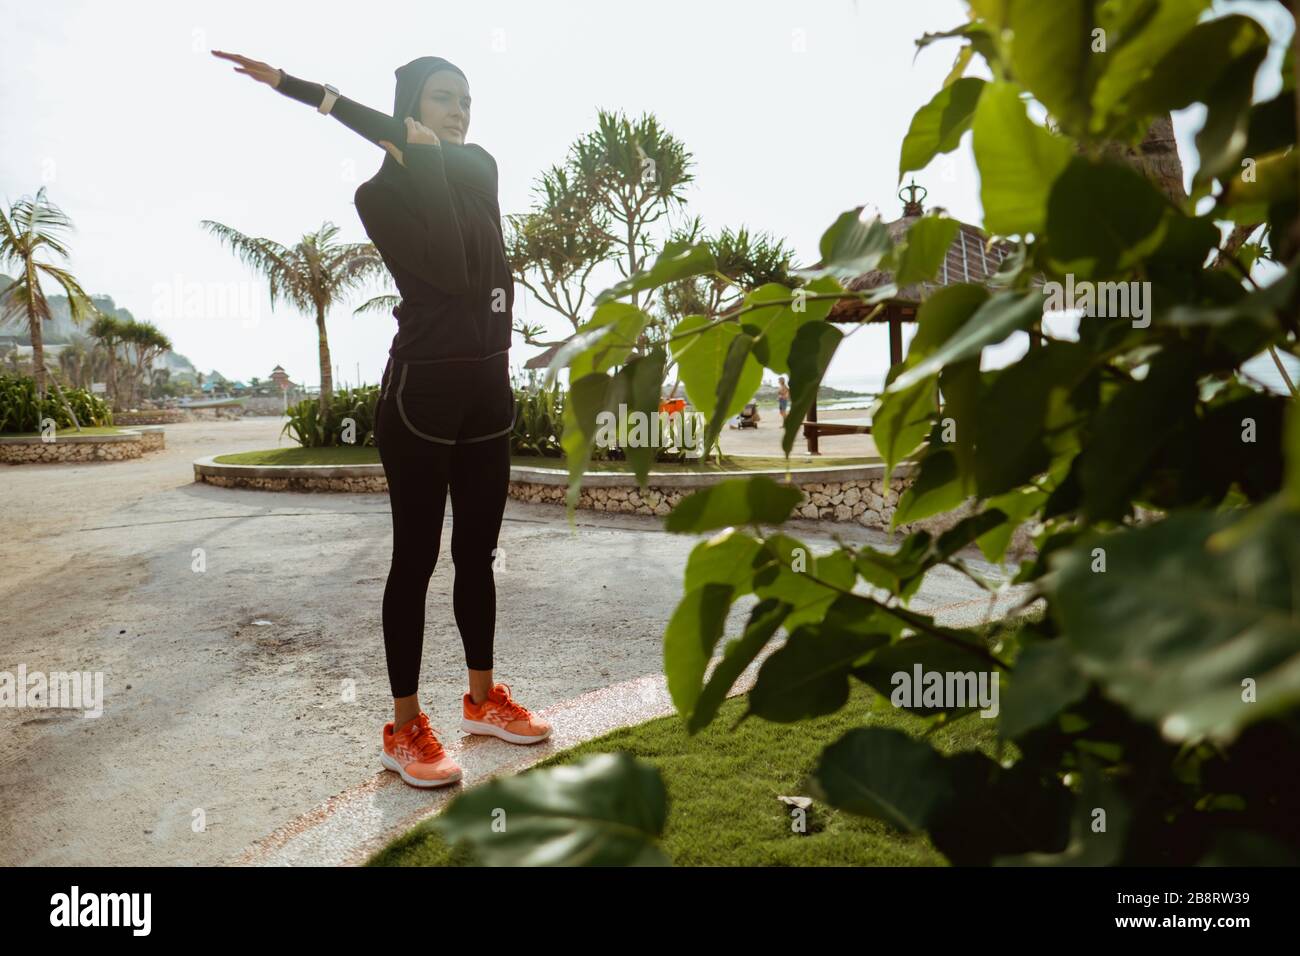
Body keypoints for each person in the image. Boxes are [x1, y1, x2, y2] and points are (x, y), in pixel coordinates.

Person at [213, 50, 551, 789]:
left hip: (489, 392)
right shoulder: (379, 198)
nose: (459, 111)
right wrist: (401, 151)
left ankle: (483, 697)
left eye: (466, 98)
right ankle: (402, 730)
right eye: (441, 99)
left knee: (479, 557)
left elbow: (403, 146)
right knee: (416, 560)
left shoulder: (479, 167)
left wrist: (308, 92)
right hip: (420, 400)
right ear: (411, 108)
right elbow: (453, 270)